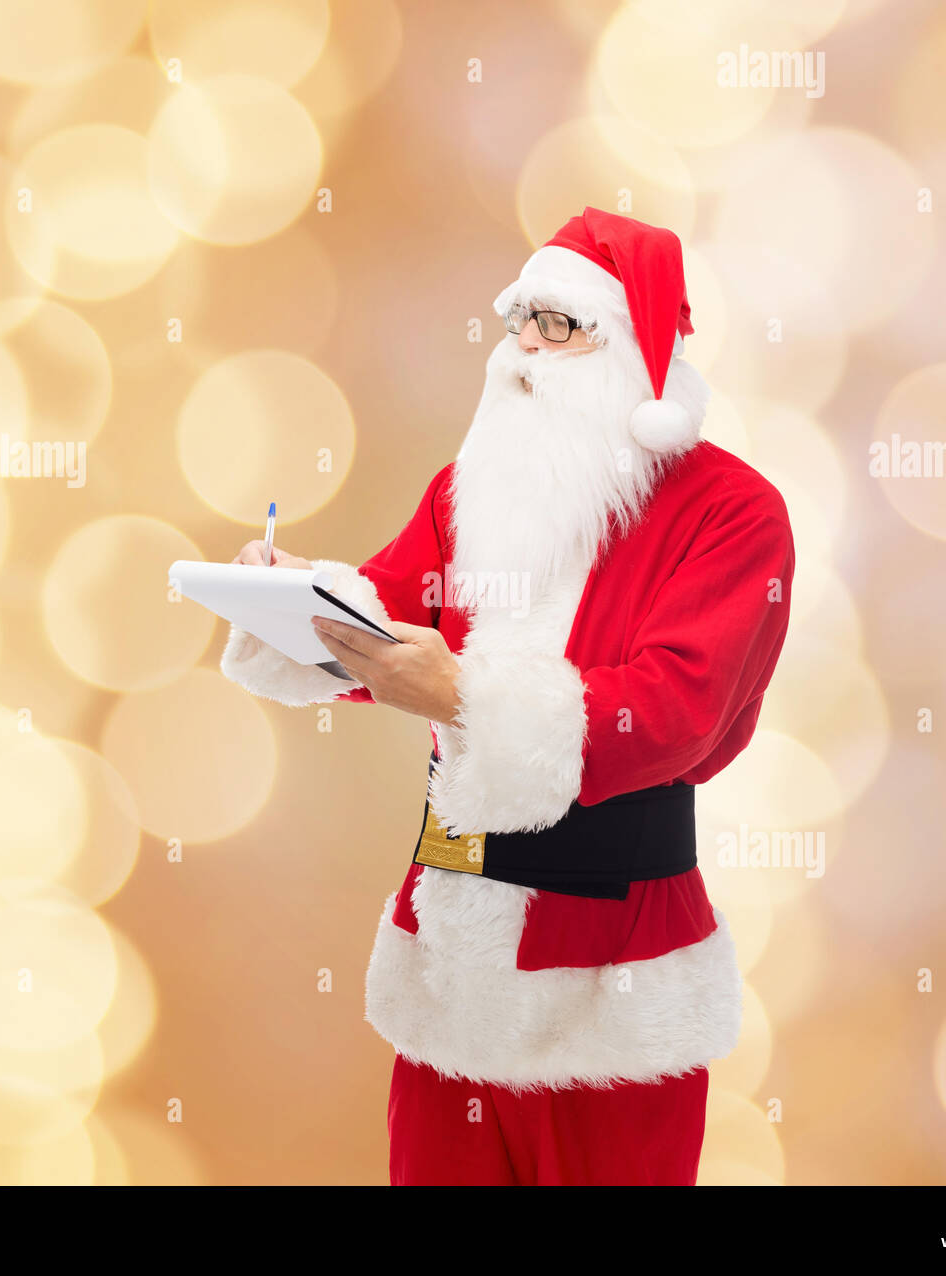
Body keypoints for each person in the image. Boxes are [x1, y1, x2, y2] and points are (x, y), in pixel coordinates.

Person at [223, 207, 795, 1186]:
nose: (523, 347)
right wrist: (294, 605)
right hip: (453, 974)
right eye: (517, 318)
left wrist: (459, 689)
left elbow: (673, 709)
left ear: (629, 350)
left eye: (558, 324)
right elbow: (390, 616)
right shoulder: (467, 491)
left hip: (614, 994)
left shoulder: (733, 513)